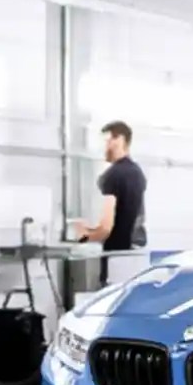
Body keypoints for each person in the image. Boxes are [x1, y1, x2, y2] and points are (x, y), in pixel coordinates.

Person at [74, 120, 148, 285]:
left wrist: (84, 237)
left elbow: (106, 229)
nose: (104, 148)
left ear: (119, 140)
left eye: (106, 141)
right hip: (137, 256)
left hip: (117, 260)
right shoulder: (137, 173)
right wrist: (92, 229)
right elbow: (127, 217)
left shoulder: (113, 175)